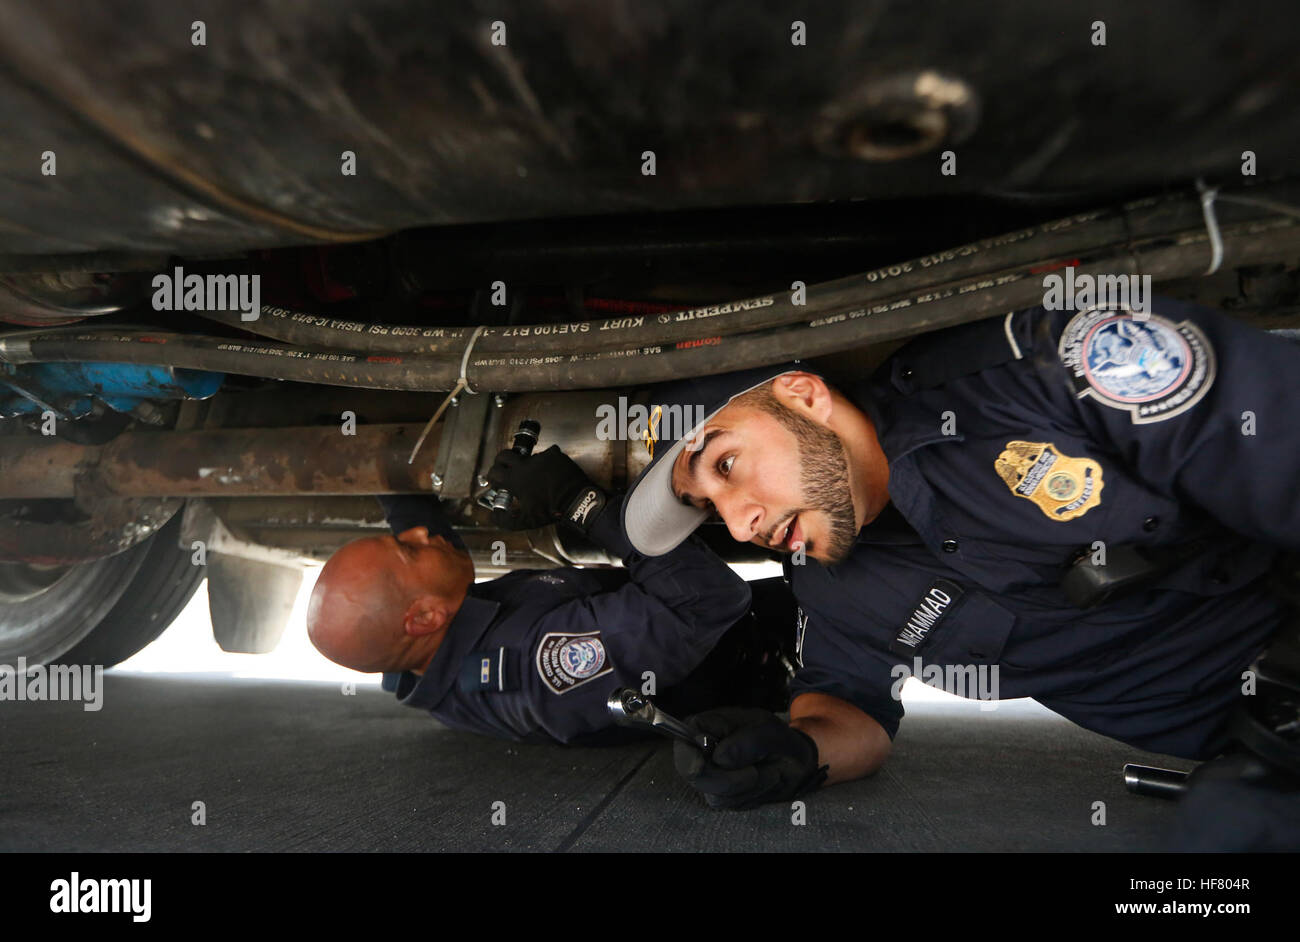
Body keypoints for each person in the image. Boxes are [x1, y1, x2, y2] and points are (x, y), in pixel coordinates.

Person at [620, 296, 1300, 821]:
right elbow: (852, 712)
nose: (740, 524)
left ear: (804, 396)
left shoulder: (1035, 375)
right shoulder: (830, 589)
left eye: (726, 464)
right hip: (1260, 752)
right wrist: (796, 753)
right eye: (708, 506)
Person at [307, 444, 794, 746]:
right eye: (409, 550)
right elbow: (707, 600)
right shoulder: (534, 665)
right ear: (425, 618)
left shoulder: (429, 647)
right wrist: (576, 501)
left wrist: (377, 458)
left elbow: (427, 554)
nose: (420, 536)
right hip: (780, 651)